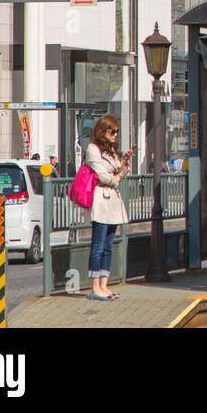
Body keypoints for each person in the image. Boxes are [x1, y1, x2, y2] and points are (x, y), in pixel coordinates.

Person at [84, 115, 132, 301]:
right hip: (101, 199)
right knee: (97, 245)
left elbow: (119, 173)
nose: (115, 135)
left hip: (113, 200)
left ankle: (104, 285)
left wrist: (124, 162)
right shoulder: (93, 149)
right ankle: (94, 287)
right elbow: (103, 177)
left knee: (108, 246)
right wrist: (116, 177)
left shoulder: (112, 151)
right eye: (112, 131)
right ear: (103, 131)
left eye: (117, 132)